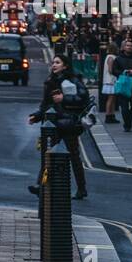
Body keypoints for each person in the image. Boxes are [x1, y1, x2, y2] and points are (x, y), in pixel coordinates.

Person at [28, 54, 91, 200]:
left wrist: (65, 98)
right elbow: (46, 105)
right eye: (53, 63)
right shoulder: (50, 81)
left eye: (57, 62)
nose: (54, 65)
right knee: (48, 155)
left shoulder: (74, 80)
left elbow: (83, 98)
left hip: (69, 124)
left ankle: (82, 188)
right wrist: (36, 116)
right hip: (54, 124)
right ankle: (41, 186)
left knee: (74, 157)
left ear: (65, 66)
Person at [112, 38, 132, 131]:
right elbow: (114, 70)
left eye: (131, 46)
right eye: (127, 45)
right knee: (124, 108)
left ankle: (128, 121)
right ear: (124, 47)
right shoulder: (118, 59)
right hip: (123, 85)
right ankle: (127, 124)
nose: (129, 47)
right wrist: (123, 72)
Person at [101, 41, 119, 123]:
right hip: (111, 80)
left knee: (112, 99)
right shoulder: (111, 57)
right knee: (111, 99)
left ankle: (111, 115)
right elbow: (111, 70)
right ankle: (108, 115)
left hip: (109, 80)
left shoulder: (108, 56)